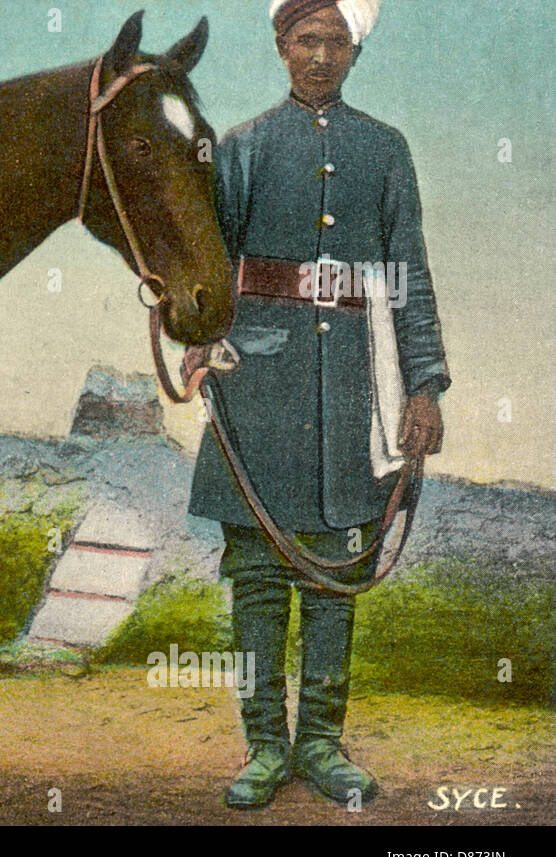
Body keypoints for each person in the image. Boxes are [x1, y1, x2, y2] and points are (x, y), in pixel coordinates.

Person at [186, 0, 450, 809]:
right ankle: (265, 748)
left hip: (352, 389)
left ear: (354, 53)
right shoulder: (240, 149)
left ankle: (323, 746)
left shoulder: (385, 150)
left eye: (337, 42)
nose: (320, 56)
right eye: (306, 39)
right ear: (280, 46)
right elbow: (200, 262)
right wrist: (197, 340)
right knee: (260, 576)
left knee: (337, 570)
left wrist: (426, 384)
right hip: (256, 387)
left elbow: (408, 278)